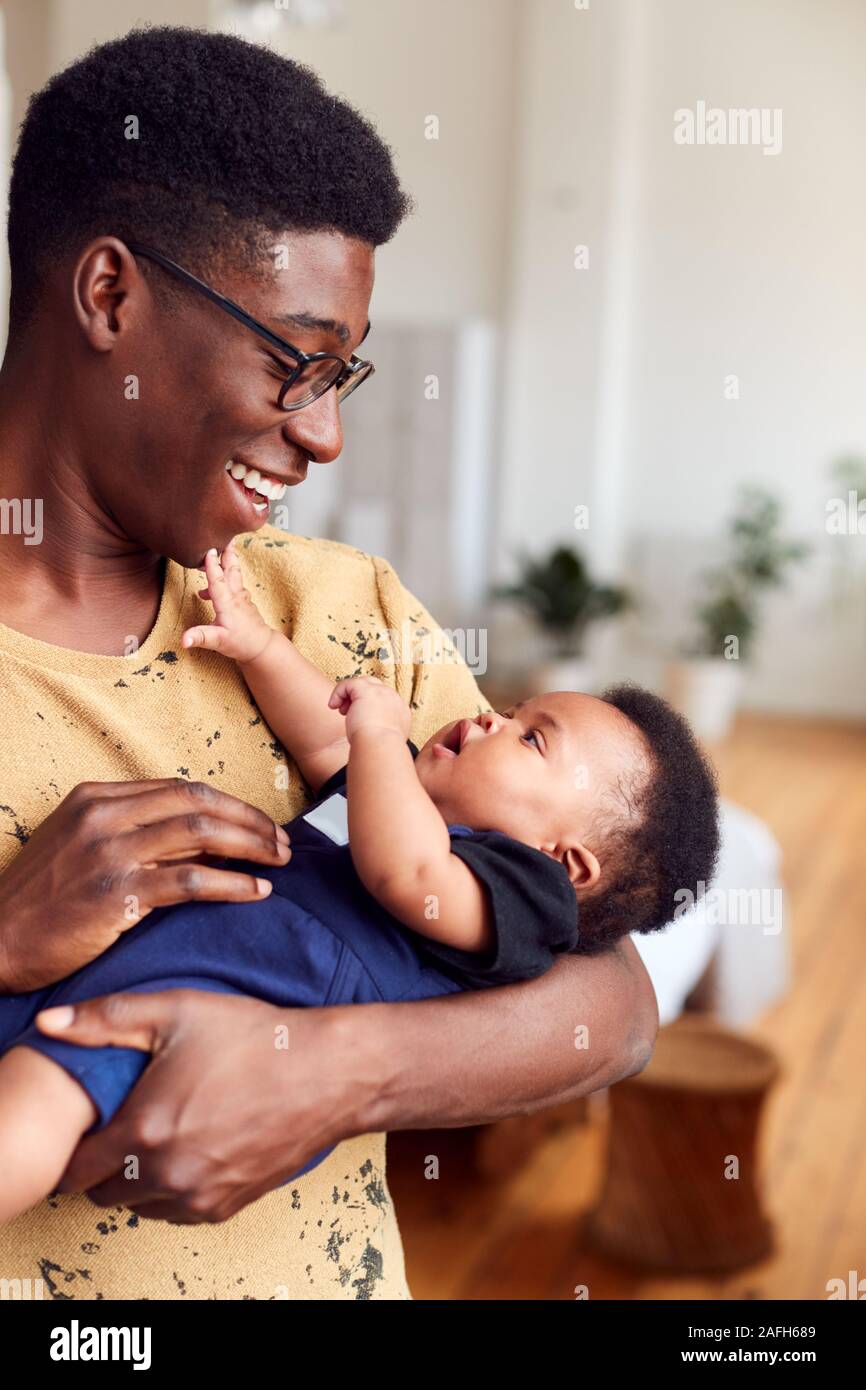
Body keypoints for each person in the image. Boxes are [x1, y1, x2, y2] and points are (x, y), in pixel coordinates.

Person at [0, 26, 658, 1299]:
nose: (327, 433)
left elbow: (611, 1002)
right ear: (108, 295)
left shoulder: (337, 614)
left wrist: (323, 1075)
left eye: (339, 371)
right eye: (296, 360)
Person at [0, 542, 719, 1224]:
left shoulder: (524, 892)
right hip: (159, 950)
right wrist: (262, 647)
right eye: (516, 713)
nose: (492, 718)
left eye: (532, 739)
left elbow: (407, 874)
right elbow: (324, 736)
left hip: (249, 1003)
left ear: (566, 860)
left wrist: (378, 738)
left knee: (45, 1098)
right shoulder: (394, 790)